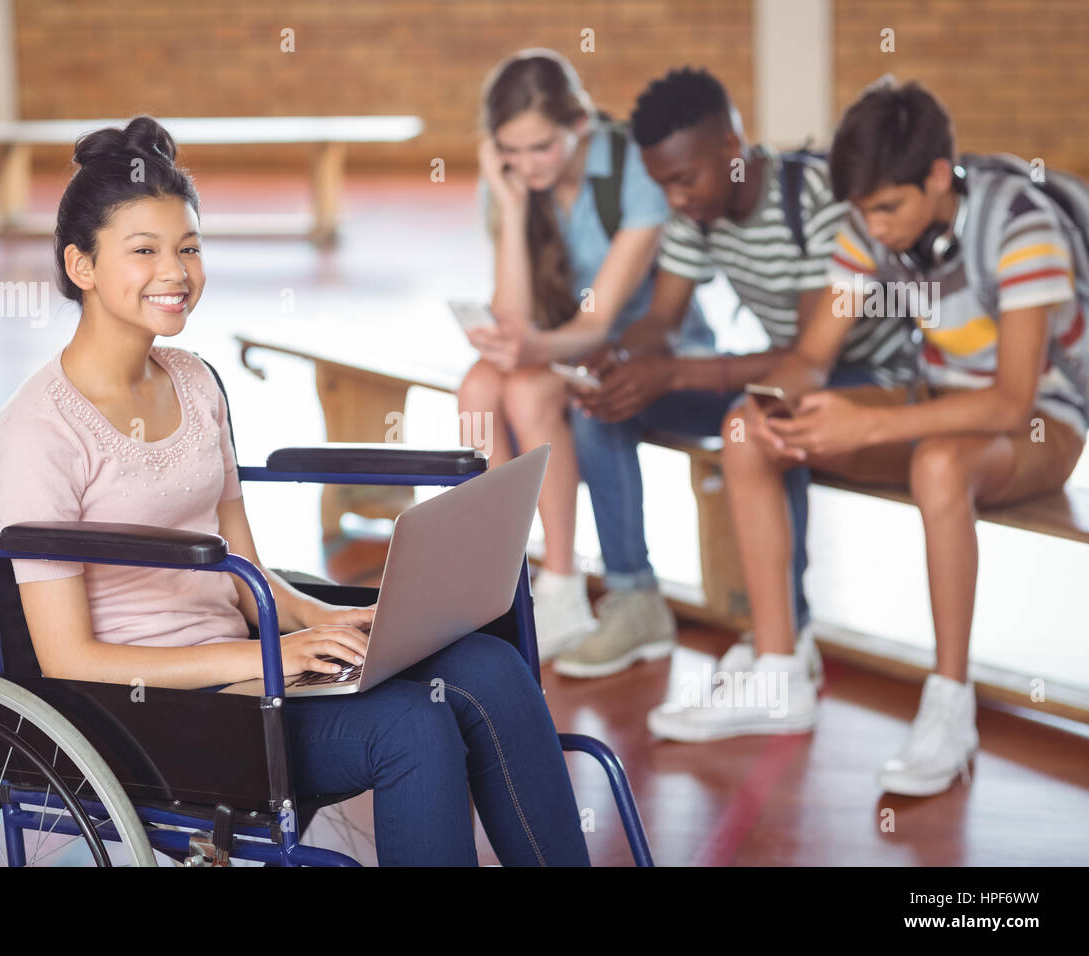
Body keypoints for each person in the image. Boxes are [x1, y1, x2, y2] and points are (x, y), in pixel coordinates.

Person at [0, 116, 591, 865]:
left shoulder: (195, 381)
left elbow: (246, 574)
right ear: (80, 266)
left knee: (489, 664)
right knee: (413, 727)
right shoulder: (38, 431)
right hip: (153, 712)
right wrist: (269, 658)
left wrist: (340, 622)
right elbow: (70, 659)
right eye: (143, 251)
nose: (174, 272)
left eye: (189, 248)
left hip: (250, 662)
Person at [650, 80, 1088, 798]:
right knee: (745, 428)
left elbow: (1011, 402)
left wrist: (870, 422)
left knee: (941, 466)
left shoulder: (1019, 226)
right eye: (864, 212)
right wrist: (778, 402)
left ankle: (950, 704)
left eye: (889, 208)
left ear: (938, 178)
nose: (876, 229)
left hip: (1045, 420)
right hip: (935, 398)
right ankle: (779, 673)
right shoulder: (869, 223)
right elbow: (811, 358)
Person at [555, 67, 913, 679]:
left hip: (868, 378)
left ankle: (790, 635)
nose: (675, 198)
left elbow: (806, 356)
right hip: (792, 368)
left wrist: (670, 374)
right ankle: (635, 595)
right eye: (662, 184)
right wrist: (620, 358)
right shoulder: (698, 212)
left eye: (684, 179)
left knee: (765, 416)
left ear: (730, 149)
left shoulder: (814, 197)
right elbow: (663, 320)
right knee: (604, 405)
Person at [460, 48, 705, 659]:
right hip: (558, 347)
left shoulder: (633, 169)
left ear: (579, 127)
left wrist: (532, 346)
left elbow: (597, 323)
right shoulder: (515, 182)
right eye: (510, 151)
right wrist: (512, 207)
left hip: (634, 346)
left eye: (540, 148)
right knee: (476, 389)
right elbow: (515, 317)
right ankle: (504, 574)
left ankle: (563, 583)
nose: (526, 163)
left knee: (524, 388)